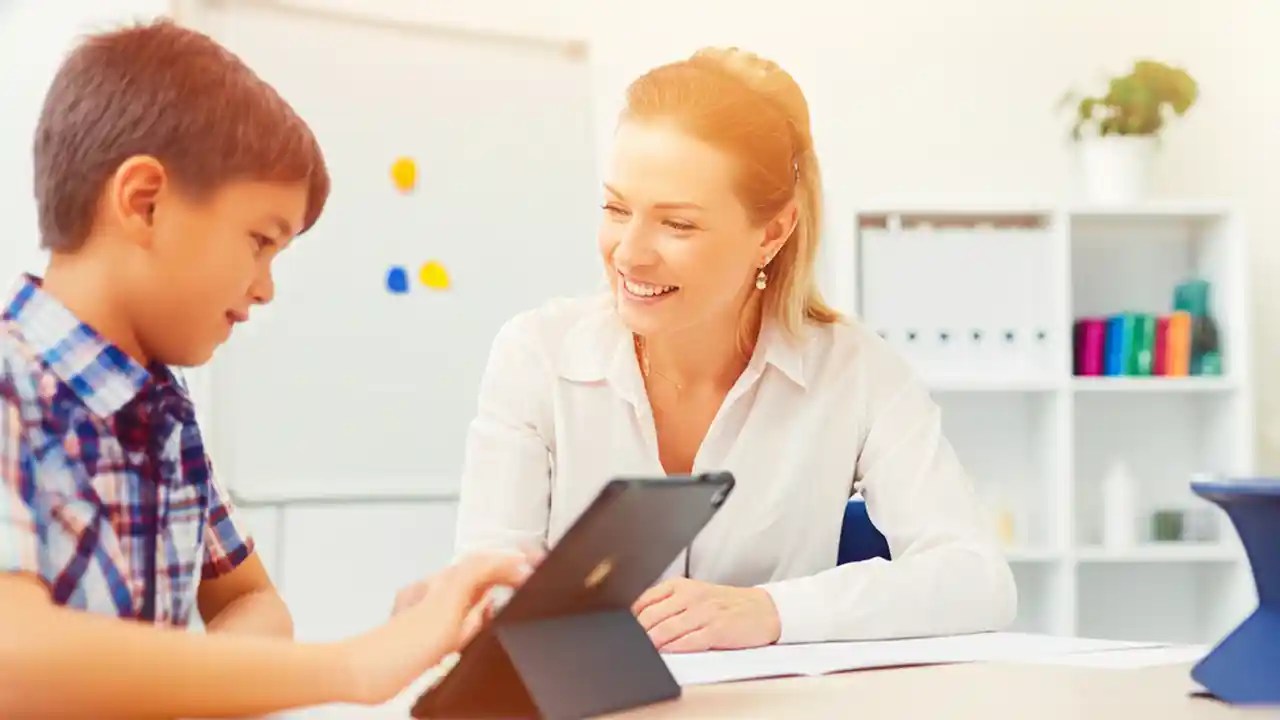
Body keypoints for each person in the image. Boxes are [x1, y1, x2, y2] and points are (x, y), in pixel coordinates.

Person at [0, 20, 528, 718]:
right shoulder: (13, 389)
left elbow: (251, 599)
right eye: (259, 241)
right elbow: (15, 656)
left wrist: (185, 689)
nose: (265, 287)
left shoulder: (163, 408)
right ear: (144, 201)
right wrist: (352, 666)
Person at [447, 47, 1016, 652]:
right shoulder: (536, 355)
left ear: (772, 232)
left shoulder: (856, 372)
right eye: (617, 209)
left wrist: (772, 612)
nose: (629, 253)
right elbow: (485, 591)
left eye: (678, 225)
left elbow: (978, 580)